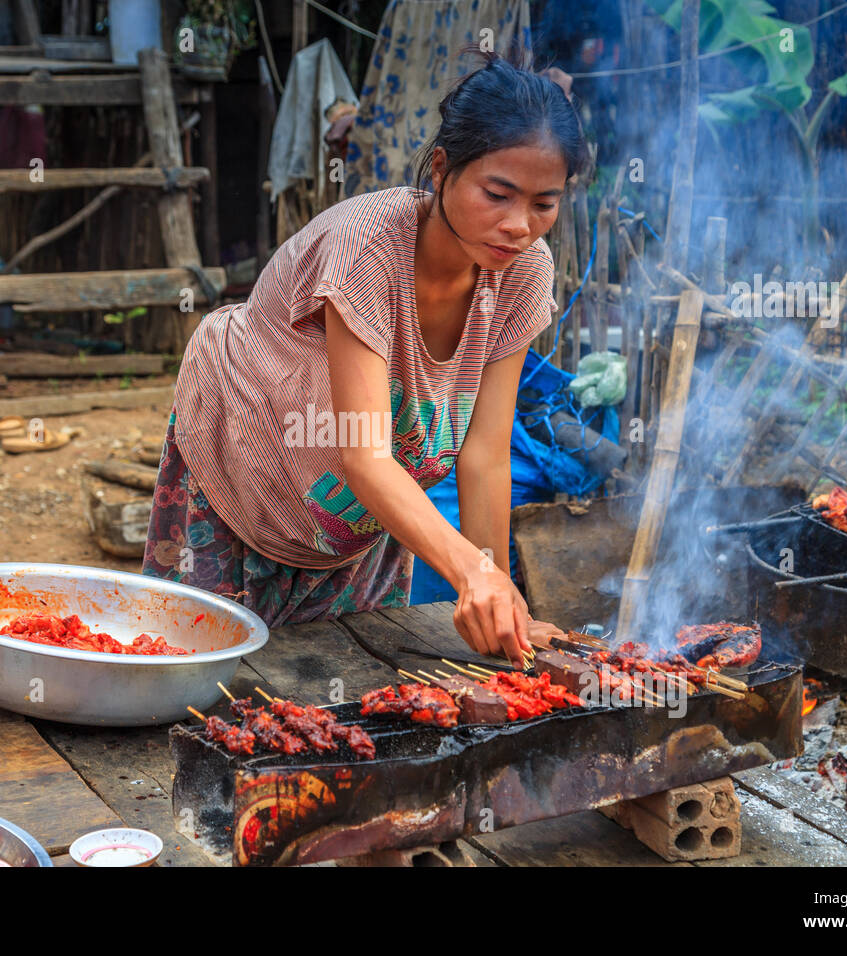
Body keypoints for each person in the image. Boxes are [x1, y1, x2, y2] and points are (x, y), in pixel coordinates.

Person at [143, 50, 591, 665]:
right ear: (442, 169)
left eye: (544, 203)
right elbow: (364, 453)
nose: (519, 225)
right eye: (498, 193)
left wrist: (499, 596)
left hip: (358, 510)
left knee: (346, 681)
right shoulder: (370, 249)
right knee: (198, 672)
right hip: (249, 451)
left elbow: (486, 455)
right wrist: (468, 572)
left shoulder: (523, 275)